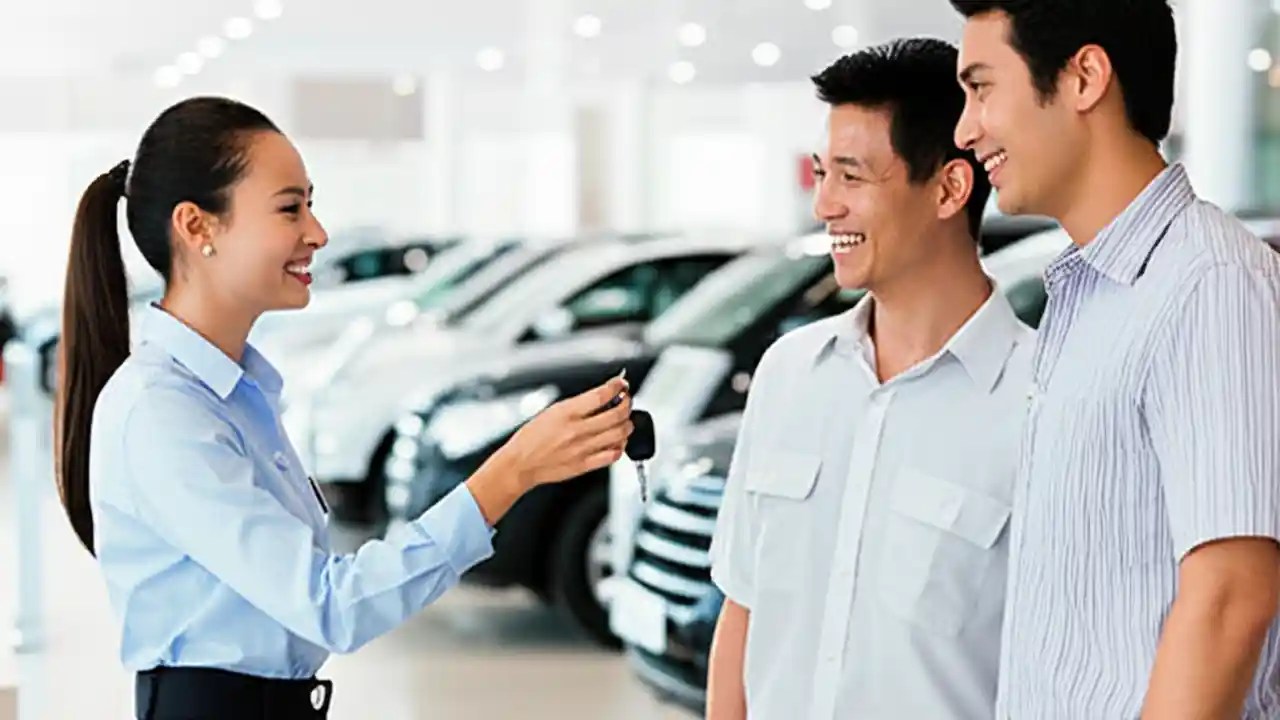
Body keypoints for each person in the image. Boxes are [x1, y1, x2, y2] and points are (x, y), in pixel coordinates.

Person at [54, 96, 634, 720]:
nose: (318, 233)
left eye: (311, 204)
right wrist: (511, 471)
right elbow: (330, 604)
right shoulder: (162, 412)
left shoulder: (237, 393)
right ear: (198, 228)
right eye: (289, 208)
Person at [952, 1, 1280, 717]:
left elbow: (1231, 598)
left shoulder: (1209, 280)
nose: (965, 129)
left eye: (982, 88)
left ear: (1085, 77)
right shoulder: (1087, 294)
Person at [705, 38, 1033, 719]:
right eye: (822, 174)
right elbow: (742, 608)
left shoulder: (1041, 401)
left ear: (949, 187)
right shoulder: (789, 374)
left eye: (851, 178)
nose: (824, 204)